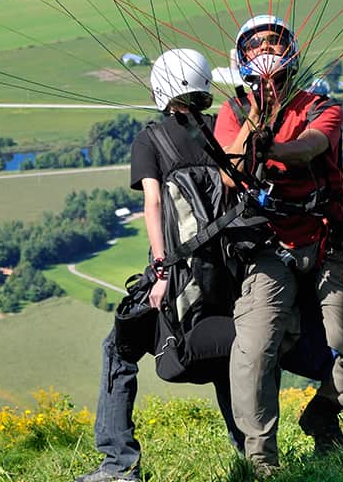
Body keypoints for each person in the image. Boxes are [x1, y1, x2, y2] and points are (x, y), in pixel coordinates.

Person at [214, 15, 343, 475]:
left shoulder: (321, 107)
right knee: (254, 349)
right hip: (268, 245)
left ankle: (324, 413)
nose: (265, 51)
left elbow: (308, 148)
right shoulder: (233, 112)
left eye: (274, 43)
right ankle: (260, 457)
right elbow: (225, 170)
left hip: (329, 238)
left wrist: (268, 145)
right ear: (242, 60)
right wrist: (257, 109)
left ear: (291, 54)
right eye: (256, 47)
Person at [77, 48, 245, 482]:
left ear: (162, 88)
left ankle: (119, 465)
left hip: (177, 277)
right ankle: (251, 454)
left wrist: (162, 271)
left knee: (117, 349)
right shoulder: (224, 131)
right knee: (228, 355)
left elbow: (154, 203)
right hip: (229, 278)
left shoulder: (151, 139)